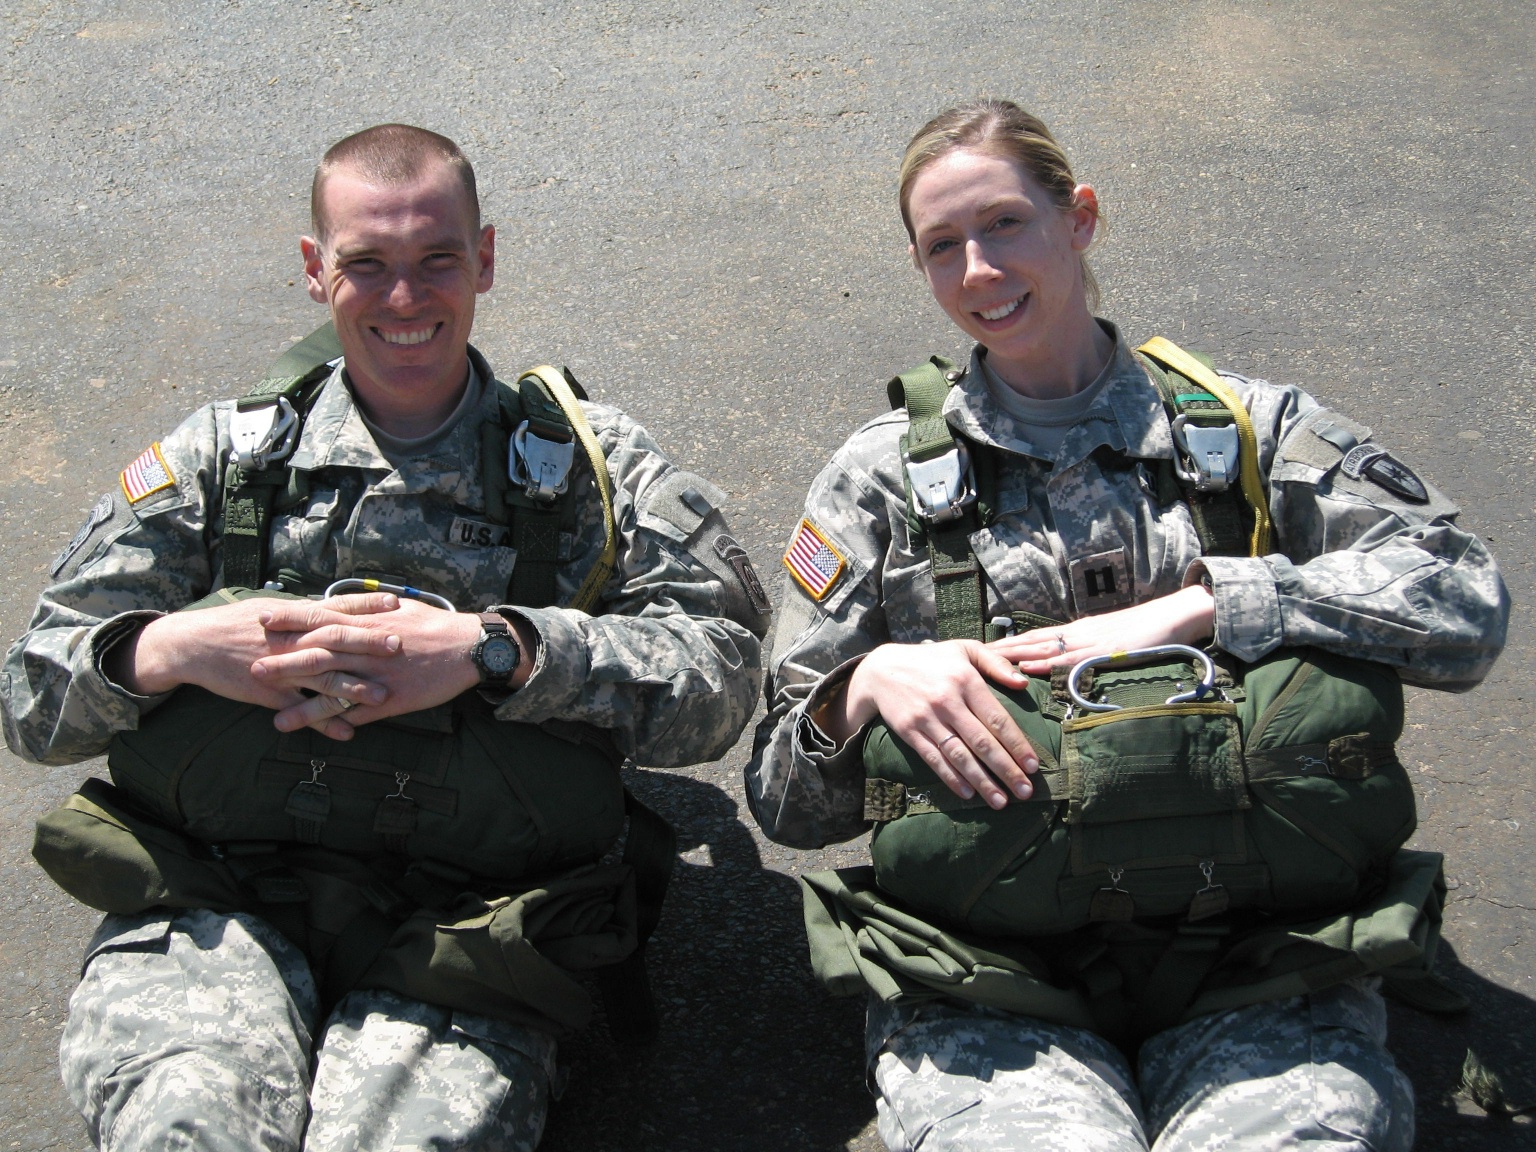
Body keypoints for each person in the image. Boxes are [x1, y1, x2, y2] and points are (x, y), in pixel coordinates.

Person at [747, 100, 1508, 1151]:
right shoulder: (879, 480)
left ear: (1080, 218)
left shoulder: (1245, 431)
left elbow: (1467, 602)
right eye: (942, 245)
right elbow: (780, 797)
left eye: (1005, 223)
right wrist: (864, 685)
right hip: (990, 979)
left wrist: (1220, 602)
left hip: (1264, 959)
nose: (979, 269)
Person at [4, 124, 768, 1151]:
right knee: (186, 1126)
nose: (404, 298)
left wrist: (499, 651)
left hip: (471, 924)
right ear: (314, 268)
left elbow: (722, 680)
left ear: (484, 258)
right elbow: (29, 699)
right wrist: (174, 649)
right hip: (216, 894)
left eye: (436, 259)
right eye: (367, 262)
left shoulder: (589, 468)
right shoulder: (228, 461)